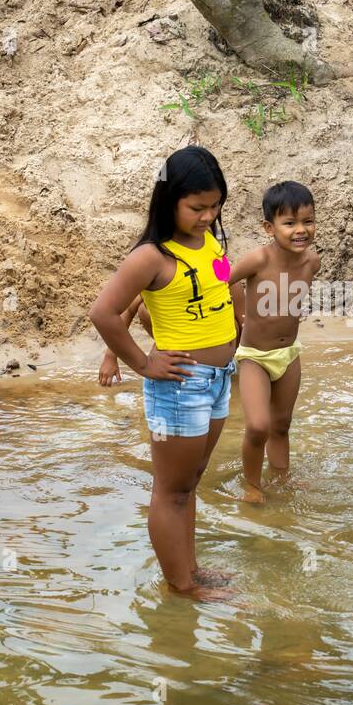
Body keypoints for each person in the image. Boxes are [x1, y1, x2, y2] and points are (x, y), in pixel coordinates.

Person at [89, 146, 240, 600]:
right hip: (179, 385)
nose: (208, 216)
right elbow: (103, 313)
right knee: (171, 491)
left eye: (215, 206)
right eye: (197, 207)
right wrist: (142, 362)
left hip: (219, 378)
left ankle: (189, 570)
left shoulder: (211, 241)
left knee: (189, 484)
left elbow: (221, 286)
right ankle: (181, 587)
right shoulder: (150, 257)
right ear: (168, 200)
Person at [227, 181, 321, 503]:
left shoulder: (312, 262)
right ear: (270, 227)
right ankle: (252, 485)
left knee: (281, 426)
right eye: (290, 223)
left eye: (308, 221)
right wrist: (240, 314)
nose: (301, 230)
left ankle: (282, 478)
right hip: (254, 355)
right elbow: (224, 279)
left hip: (289, 354)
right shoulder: (258, 260)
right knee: (257, 426)